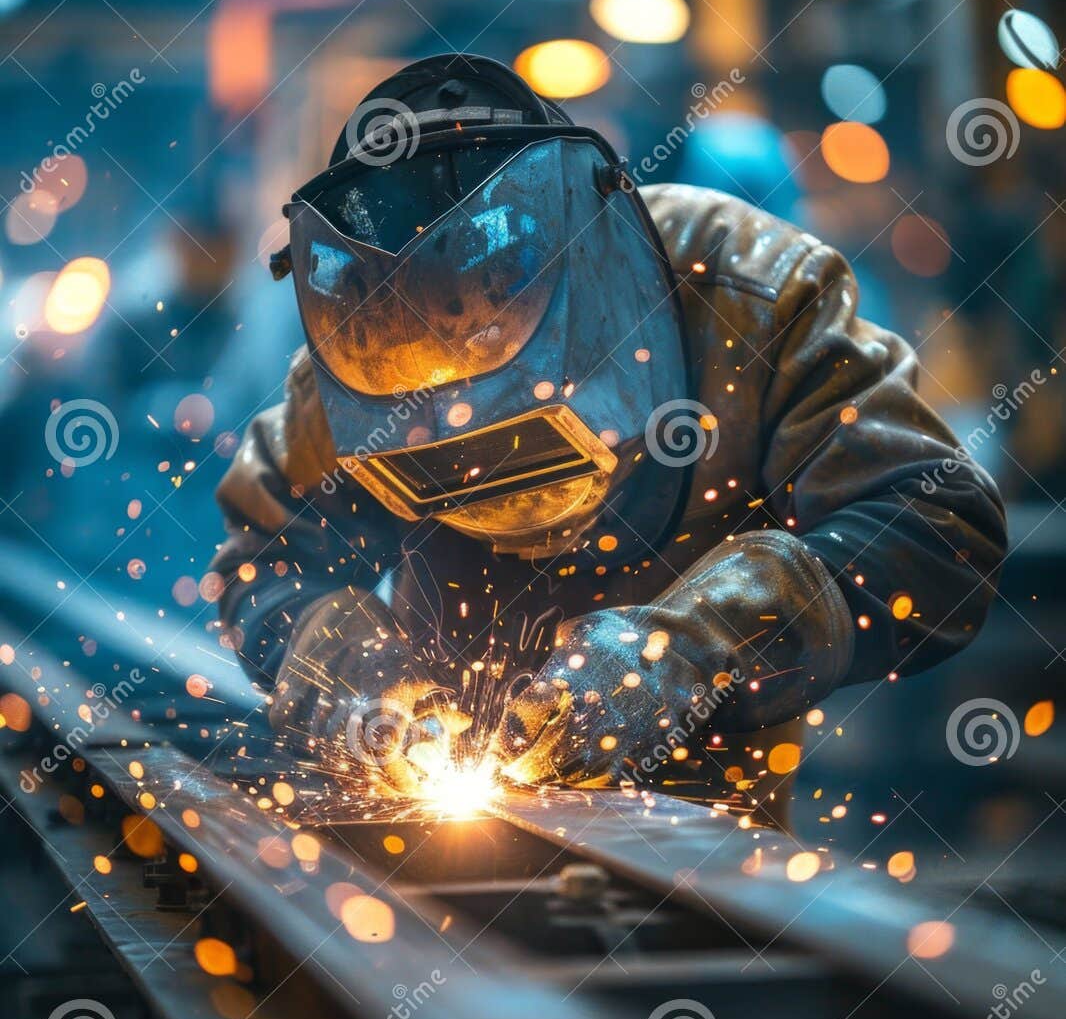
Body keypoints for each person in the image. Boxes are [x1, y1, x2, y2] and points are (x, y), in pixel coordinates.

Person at [208, 54, 1006, 804]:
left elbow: (937, 525)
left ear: (608, 280)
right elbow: (266, 563)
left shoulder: (746, 296)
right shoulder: (363, 364)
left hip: (714, 834)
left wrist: (696, 647)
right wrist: (353, 671)